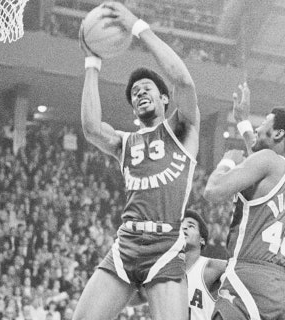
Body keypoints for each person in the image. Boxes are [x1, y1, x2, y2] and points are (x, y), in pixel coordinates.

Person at [75, 2, 200, 320]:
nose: (140, 93)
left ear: (165, 99)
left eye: (148, 89)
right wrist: (92, 60)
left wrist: (138, 27)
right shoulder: (124, 142)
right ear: (133, 108)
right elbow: (91, 128)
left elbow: (184, 82)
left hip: (166, 242)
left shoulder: (182, 130)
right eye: (134, 93)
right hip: (127, 240)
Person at [203, 87, 285, 320]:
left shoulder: (267, 161)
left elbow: (213, 191)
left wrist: (227, 162)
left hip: (248, 277)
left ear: (278, 134)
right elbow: (258, 154)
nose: (258, 128)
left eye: (264, 124)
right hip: (280, 285)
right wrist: (243, 123)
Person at [129, 209, 227, 320]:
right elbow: (132, 298)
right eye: (180, 226)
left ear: (202, 240)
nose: (184, 228)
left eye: (191, 226)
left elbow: (244, 272)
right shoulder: (158, 271)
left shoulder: (211, 267)